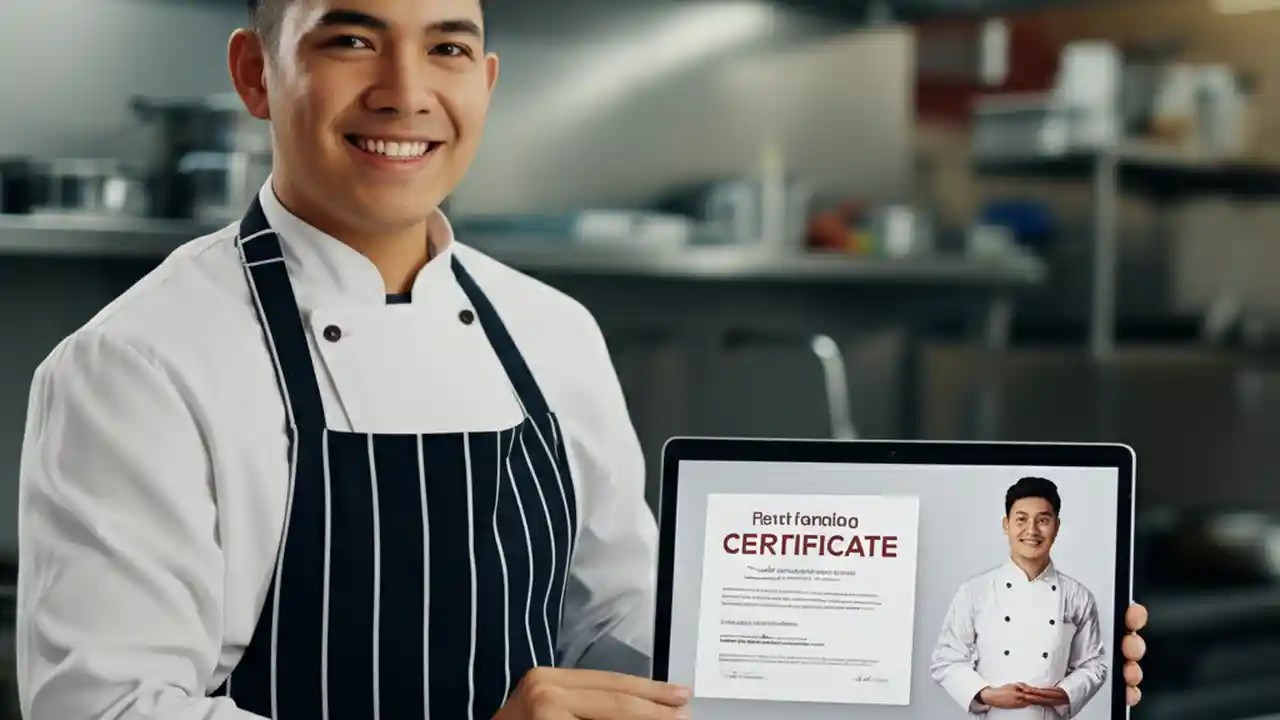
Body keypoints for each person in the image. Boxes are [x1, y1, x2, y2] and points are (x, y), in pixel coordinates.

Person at [14, 1, 1147, 718]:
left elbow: (618, 620)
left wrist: (982, 675)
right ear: (257, 73)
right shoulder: (136, 365)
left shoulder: (548, 330)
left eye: (446, 45)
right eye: (350, 36)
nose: (406, 90)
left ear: (486, 85)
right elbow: (107, 712)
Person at [931, 476, 1123, 718]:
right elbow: (946, 660)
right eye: (1021, 519)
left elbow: (1094, 664)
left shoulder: (1078, 596)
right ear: (1006, 524)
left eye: (1043, 520)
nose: (1031, 530)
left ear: (1057, 526)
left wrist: (1063, 693)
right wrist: (988, 694)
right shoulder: (975, 591)